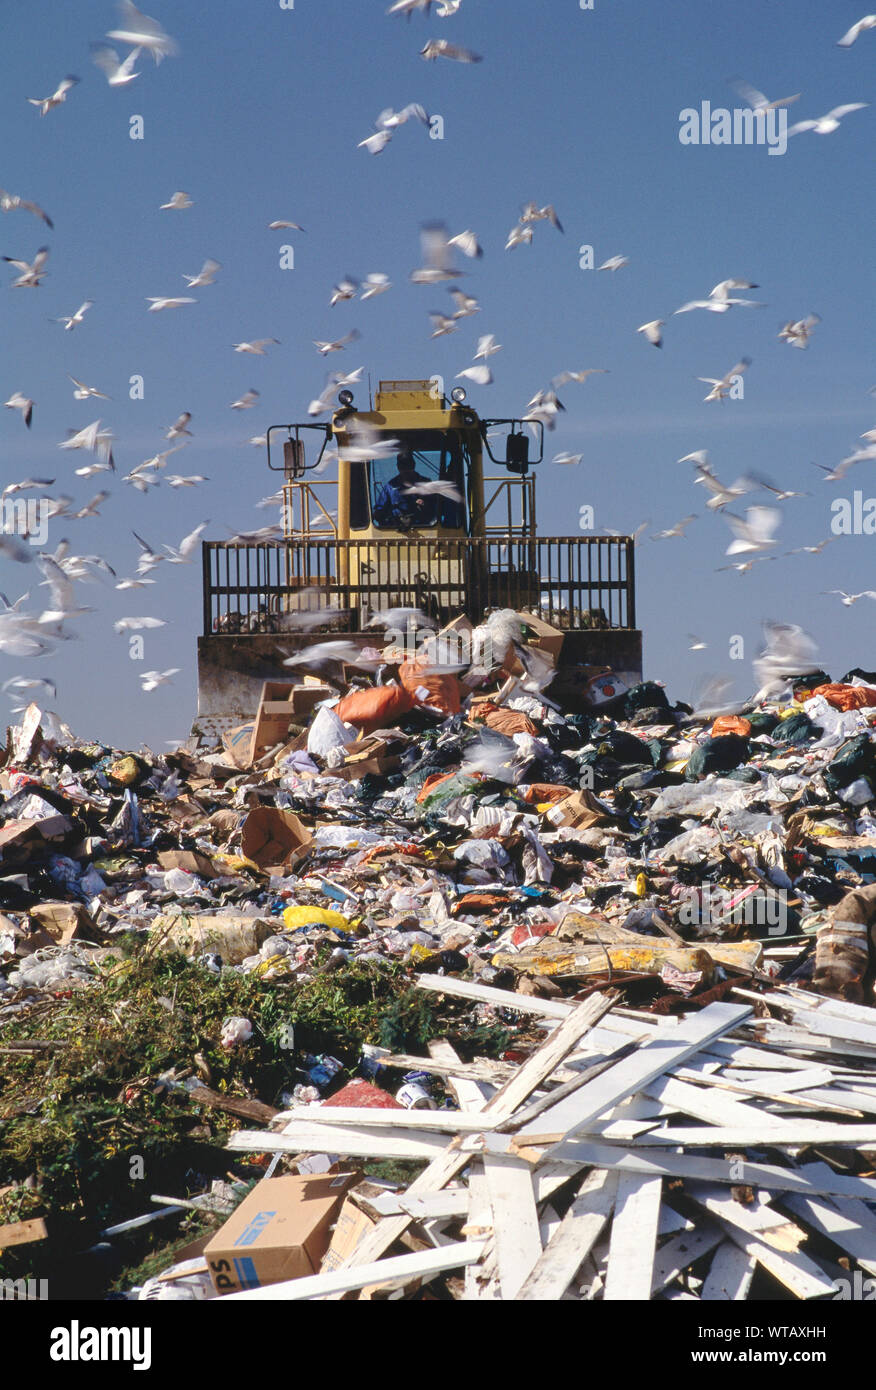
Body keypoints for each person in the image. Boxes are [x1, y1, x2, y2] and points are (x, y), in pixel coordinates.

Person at [373, 450, 438, 529]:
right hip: (395, 533)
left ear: (413, 465)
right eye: (402, 466)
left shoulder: (427, 484)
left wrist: (425, 505)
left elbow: (438, 509)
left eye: (409, 466)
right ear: (398, 467)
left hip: (424, 530)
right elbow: (378, 514)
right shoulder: (390, 487)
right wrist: (389, 516)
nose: (406, 470)